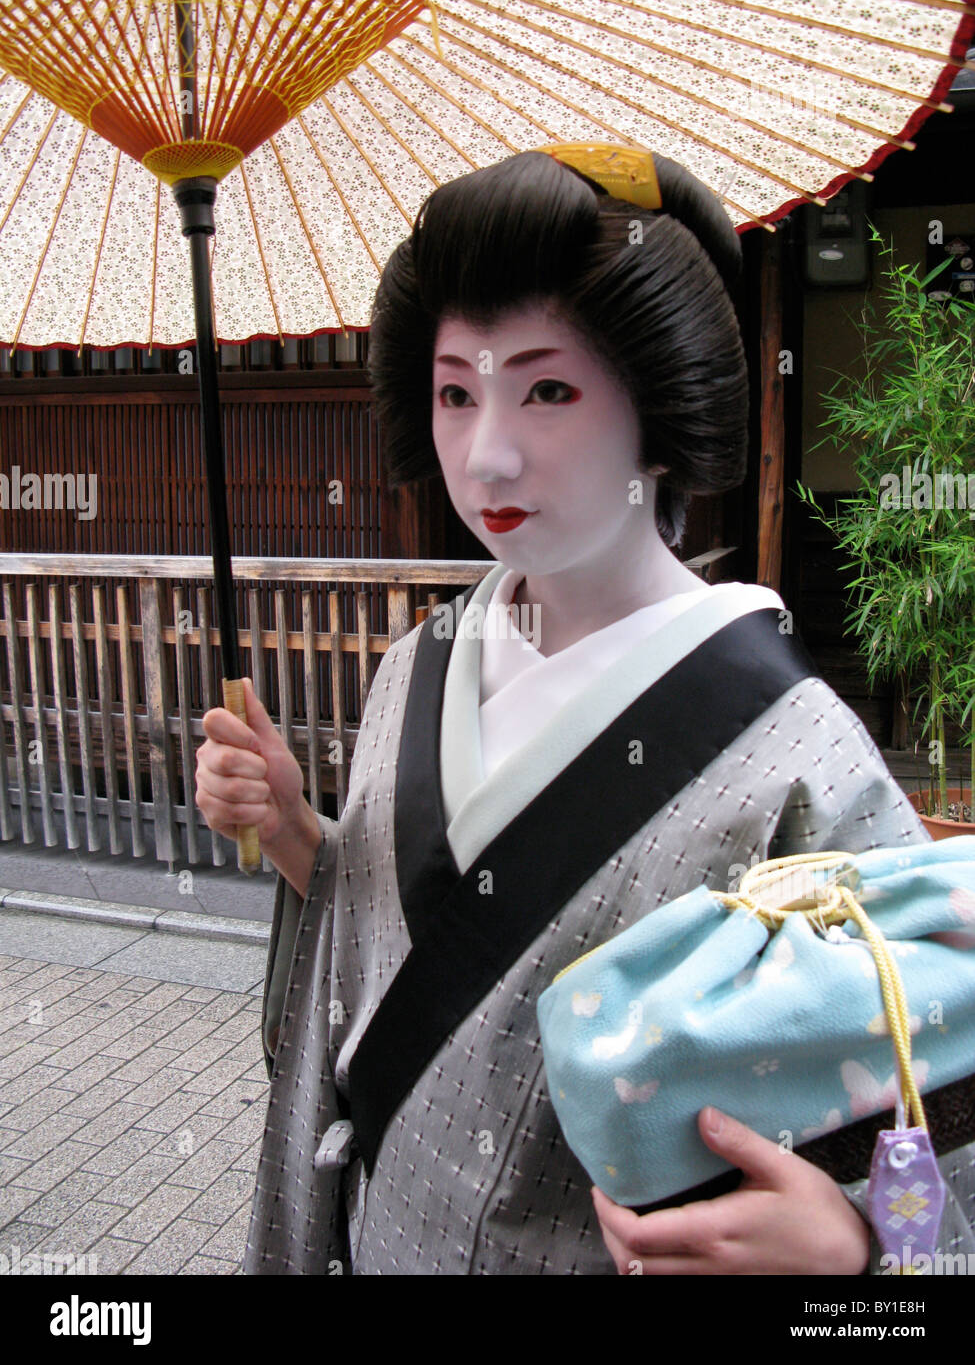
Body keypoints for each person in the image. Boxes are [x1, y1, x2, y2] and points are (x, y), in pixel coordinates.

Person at [195, 147, 975, 1275]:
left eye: (546, 388)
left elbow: (937, 1115)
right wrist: (295, 831)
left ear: (660, 408)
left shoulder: (798, 754)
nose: (486, 452)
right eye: (456, 390)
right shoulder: (419, 665)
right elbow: (399, 936)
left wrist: (856, 1247)